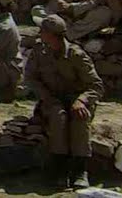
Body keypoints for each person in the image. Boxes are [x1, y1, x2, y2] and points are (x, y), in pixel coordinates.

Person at [25, 14, 103, 188]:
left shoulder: (76, 55)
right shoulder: (39, 52)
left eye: (43, 31)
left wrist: (82, 101)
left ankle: (80, 171)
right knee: (58, 117)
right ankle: (59, 169)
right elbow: (31, 79)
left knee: (79, 119)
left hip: (76, 100)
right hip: (52, 100)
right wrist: (47, 98)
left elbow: (96, 86)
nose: (40, 33)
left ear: (52, 34)